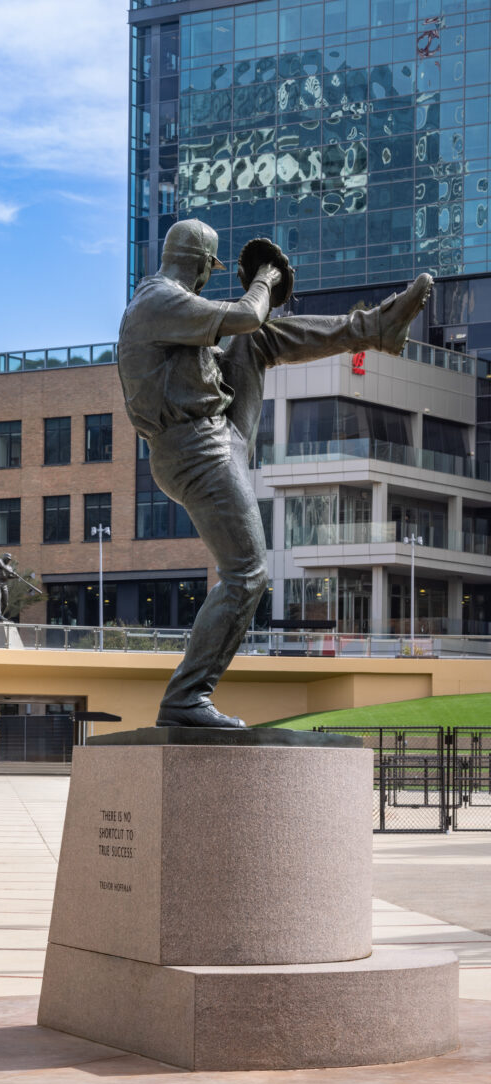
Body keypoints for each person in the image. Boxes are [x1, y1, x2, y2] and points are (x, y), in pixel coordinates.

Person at [118, 219, 433, 728]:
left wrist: (259, 300)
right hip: (195, 448)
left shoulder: (163, 301)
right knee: (247, 573)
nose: (208, 279)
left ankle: (375, 328)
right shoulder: (159, 300)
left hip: (214, 429)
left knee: (260, 339)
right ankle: (186, 698)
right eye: (210, 270)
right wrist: (264, 278)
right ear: (202, 266)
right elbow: (245, 313)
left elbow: (245, 331)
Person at [0, 552, 18, 621]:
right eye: (7, 558)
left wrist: (14, 576)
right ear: (4, 557)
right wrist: (11, 572)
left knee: (5, 603)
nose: (8, 560)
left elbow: (8, 576)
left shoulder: (9, 567)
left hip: (4, 584)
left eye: (9, 559)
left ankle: (0, 616)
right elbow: (2, 566)